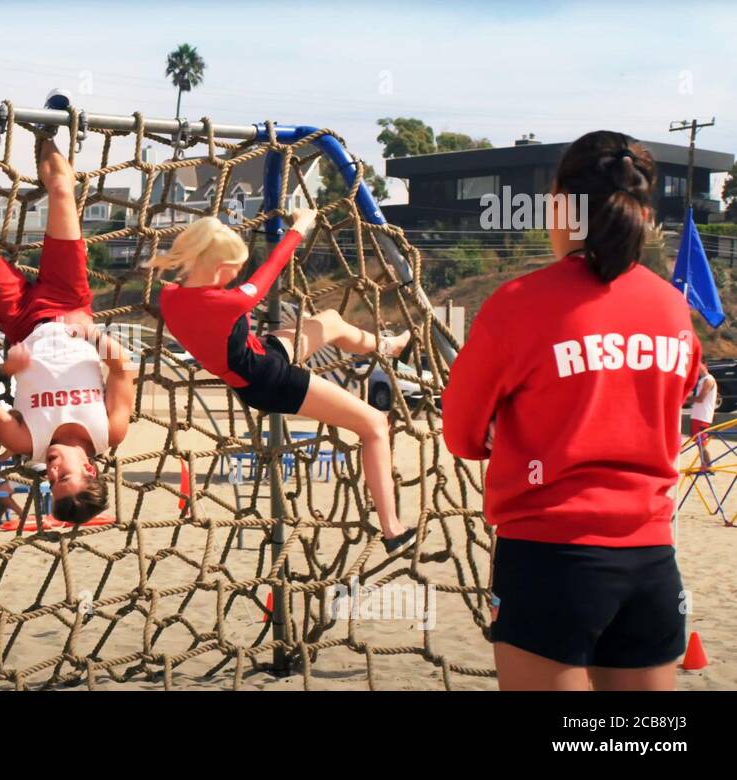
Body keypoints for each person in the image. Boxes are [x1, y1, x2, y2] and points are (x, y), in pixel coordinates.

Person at [441, 131, 700, 691]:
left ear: (560, 206)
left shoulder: (517, 305)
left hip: (549, 558)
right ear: (643, 212)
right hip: (652, 559)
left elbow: (461, 435)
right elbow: (666, 409)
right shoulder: (673, 308)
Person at [152, 211, 416, 555]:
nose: (237, 275)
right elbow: (270, 271)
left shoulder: (170, 296)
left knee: (331, 321)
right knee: (375, 425)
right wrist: (298, 229)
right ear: (219, 269)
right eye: (234, 268)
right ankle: (392, 528)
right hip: (271, 380)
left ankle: (389, 346)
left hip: (257, 360)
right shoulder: (227, 301)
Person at [0, 92, 135, 524]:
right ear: (89, 468)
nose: (51, 470)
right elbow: (125, 369)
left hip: (18, 320)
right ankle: (46, 132)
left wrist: (2, 373)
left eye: (51, 482)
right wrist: (90, 334)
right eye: (63, 476)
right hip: (70, 301)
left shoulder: (24, 443)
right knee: (61, 193)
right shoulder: (110, 432)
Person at [686, 363, 719, 469]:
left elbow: (700, 399)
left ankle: (708, 464)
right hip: (698, 415)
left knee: (701, 441)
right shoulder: (702, 380)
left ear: (705, 365)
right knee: (699, 441)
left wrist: (687, 398)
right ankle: (705, 463)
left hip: (702, 415)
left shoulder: (708, 380)